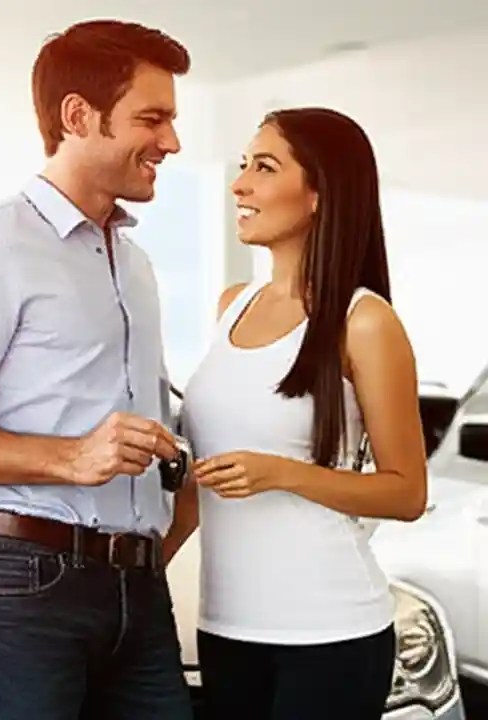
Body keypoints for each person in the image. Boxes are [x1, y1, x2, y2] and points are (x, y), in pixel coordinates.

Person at [0, 19, 195, 720]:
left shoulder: (136, 265)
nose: (172, 143)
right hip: (22, 584)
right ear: (78, 116)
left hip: (139, 586)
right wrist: (72, 457)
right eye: (152, 118)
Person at [169, 107, 428, 719]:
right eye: (241, 167)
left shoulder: (364, 321)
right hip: (226, 627)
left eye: (264, 167)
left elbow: (406, 492)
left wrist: (281, 473)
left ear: (319, 194)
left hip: (329, 633)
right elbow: (200, 482)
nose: (240, 185)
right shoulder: (231, 306)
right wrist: (140, 572)